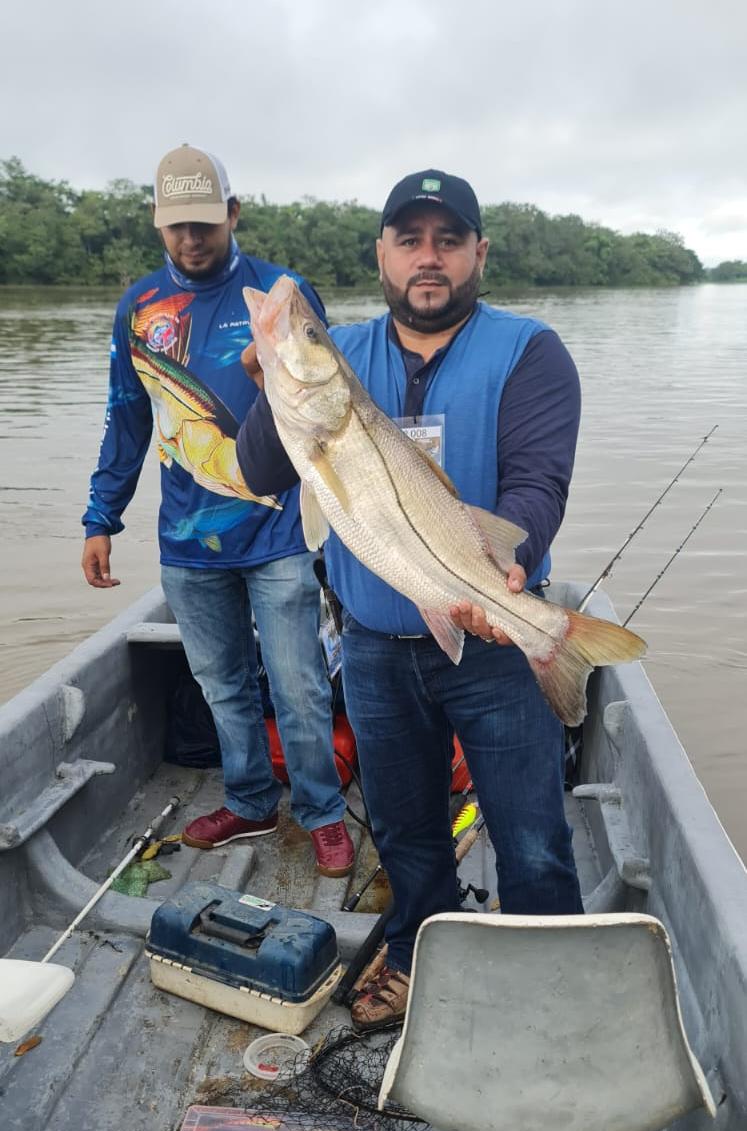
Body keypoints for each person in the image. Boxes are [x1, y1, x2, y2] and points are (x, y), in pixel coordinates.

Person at [236, 168, 585, 1027]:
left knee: (533, 838)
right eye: (409, 239)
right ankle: (413, 953)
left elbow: (536, 483)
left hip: (496, 644)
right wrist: (268, 378)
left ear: (477, 252)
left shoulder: (529, 350)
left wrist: (509, 575)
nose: (428, 258)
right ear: (382, 253)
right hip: (376, 647)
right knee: (404, 831)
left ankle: (552, 984)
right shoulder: (339, 360)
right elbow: (258, 470)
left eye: (447, 240)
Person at [81, 144, 353, 877]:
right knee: (222, 684)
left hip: (279, 530)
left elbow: (332, 411)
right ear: (156, 224)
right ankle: (250, 799)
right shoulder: (137, 310)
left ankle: (323, 811)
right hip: (186, 540)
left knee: (298, 684)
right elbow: (125, 419)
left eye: (205, 221)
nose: (192, 238)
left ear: (233, 214)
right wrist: (100, 517)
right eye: (177, 225)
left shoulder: (281, 296)